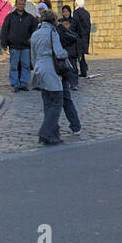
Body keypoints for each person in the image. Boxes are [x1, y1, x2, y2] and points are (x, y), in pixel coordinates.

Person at [31, 8, 82, 145]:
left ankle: (53, 135)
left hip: (39, 69)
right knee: (57, 102)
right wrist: (66, 54)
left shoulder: (35, 34)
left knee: (48, 103)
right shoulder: (52, 32)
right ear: (53, 20)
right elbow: (59, 53)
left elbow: (33, 56)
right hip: (51, 69)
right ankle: (45, 132)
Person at [0, 0, 38, 91]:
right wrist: (4, 43)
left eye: (23, 4)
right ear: (16, 5)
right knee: (14, 66)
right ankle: (15, 83)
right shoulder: (10, 17)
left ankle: (23, 83)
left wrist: (31, 39)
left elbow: (35, 30)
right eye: (19, 4)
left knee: (26, 65)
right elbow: (4, 30)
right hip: (14, 46)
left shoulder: (30, 18)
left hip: (25, 46)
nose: (21, 6)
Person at [57, 5, 81, 88]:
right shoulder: (59, 21)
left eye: (67, 11)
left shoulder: (74, 21)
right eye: (64, 11)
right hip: (63, 46)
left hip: (72, 46)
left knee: (73, 66)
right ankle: (65, 83)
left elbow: (79, 33)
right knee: (64, 67)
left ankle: (74, 83)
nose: (65, 13)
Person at [73, 0, 92, 77]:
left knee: (79, 54)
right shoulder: (86, 12)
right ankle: (84, 68)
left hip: (79, 36)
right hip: (85, 35)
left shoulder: (76, 12)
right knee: (81, 54)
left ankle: (82, 69)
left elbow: (76, 24)